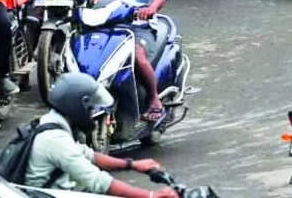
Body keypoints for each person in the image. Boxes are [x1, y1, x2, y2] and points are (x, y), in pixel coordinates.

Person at [25, 72, 179, 197]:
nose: (91, 113)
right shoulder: (55, 140)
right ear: (77, 105)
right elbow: (98, 181)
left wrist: (132, 164)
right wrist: (151, 196)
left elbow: (90, 155)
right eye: (90, 108)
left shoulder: (49, 124)